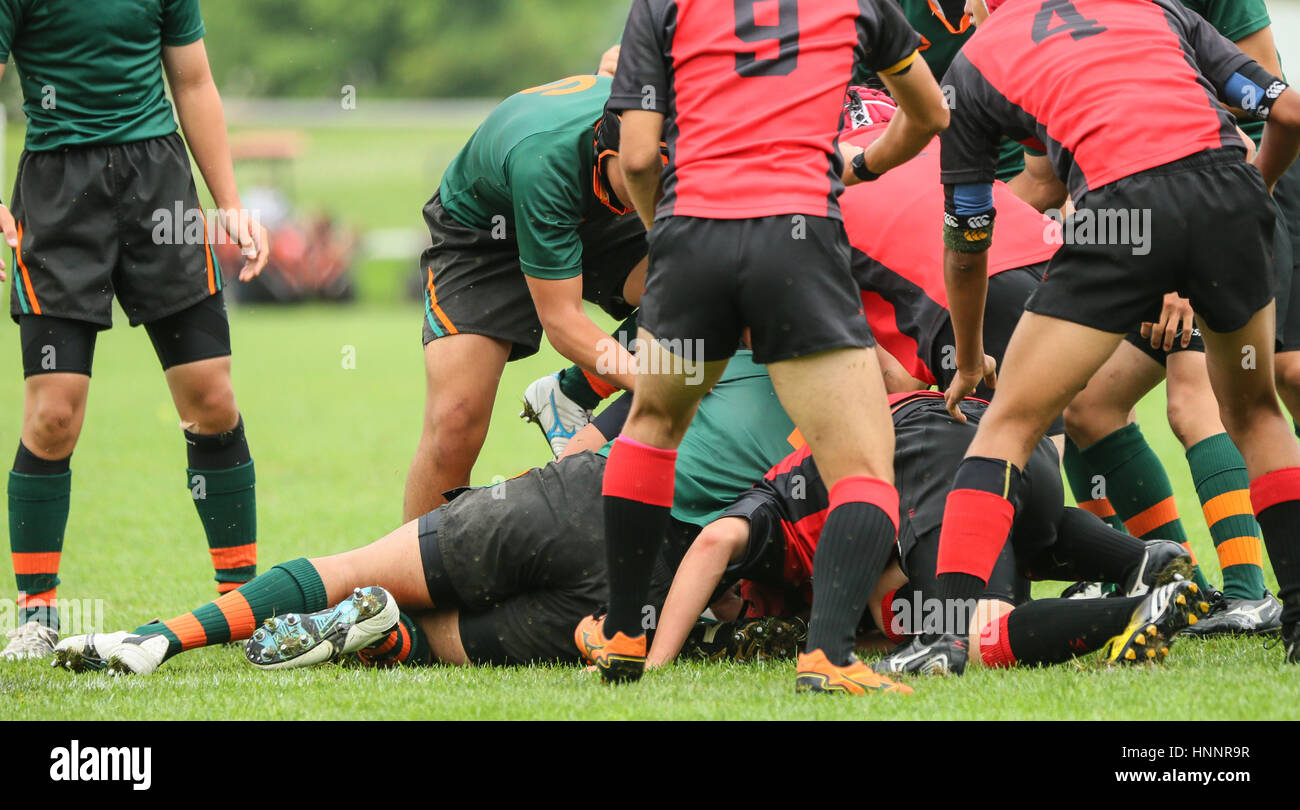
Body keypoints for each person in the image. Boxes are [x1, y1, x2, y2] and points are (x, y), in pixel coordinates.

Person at [911, 0, 1300, 671]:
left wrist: (970, 356)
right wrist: (1250, 196)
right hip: (1228, 196)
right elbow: (1288, 111)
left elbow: (967, 241)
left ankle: (941, 641)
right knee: (1256, 410)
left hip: (1122, 210)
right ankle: (1281, 612)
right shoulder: (1154, 9)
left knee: (1007, 423)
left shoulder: (972, 65)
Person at [578, 0, 949, 695]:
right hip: (797, 238)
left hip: (693, 234)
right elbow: (931, 115)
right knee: (864, 464)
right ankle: (830, 656)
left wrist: (674, 240)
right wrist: (861, 166)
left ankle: (625, 631)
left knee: (653, 425)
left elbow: (634, 157)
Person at [51, 351, 802, 675]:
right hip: (642, 597)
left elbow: (602, 435)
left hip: (584, 499)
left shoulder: (732, 340)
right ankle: (381, 636)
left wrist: (523, 489)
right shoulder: (866, 426)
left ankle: (154, 641)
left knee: (350, 567)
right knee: (447, 645)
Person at [0, 0, 270, 660]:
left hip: (160, 192)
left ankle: (241, 602)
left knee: (212, 399)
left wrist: (229, 203)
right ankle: (36, 615)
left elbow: (194, 83)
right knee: (54, 415)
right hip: (58, 196)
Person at [647, 391, 1207, 672]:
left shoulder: (769, 514)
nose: (752, 620)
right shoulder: (815, 556)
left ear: (734, 585)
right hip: (1012, 447)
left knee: (969, 633)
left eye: (737, 613)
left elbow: (713, 543)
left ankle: (1138, 612)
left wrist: (657, 665)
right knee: (1034, 543)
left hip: (939, 455)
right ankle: (1151, 564)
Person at [403, 71, 649, 519]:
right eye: (642, 181)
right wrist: (652, 386)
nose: (657, 196)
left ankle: (570, 393)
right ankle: (410, 578)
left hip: (597, 212)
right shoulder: (546, 161)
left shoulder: (657, 149)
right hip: (484, 232)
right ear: (610, 152)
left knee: (690, 287)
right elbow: (563, 322)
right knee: (455, 420)